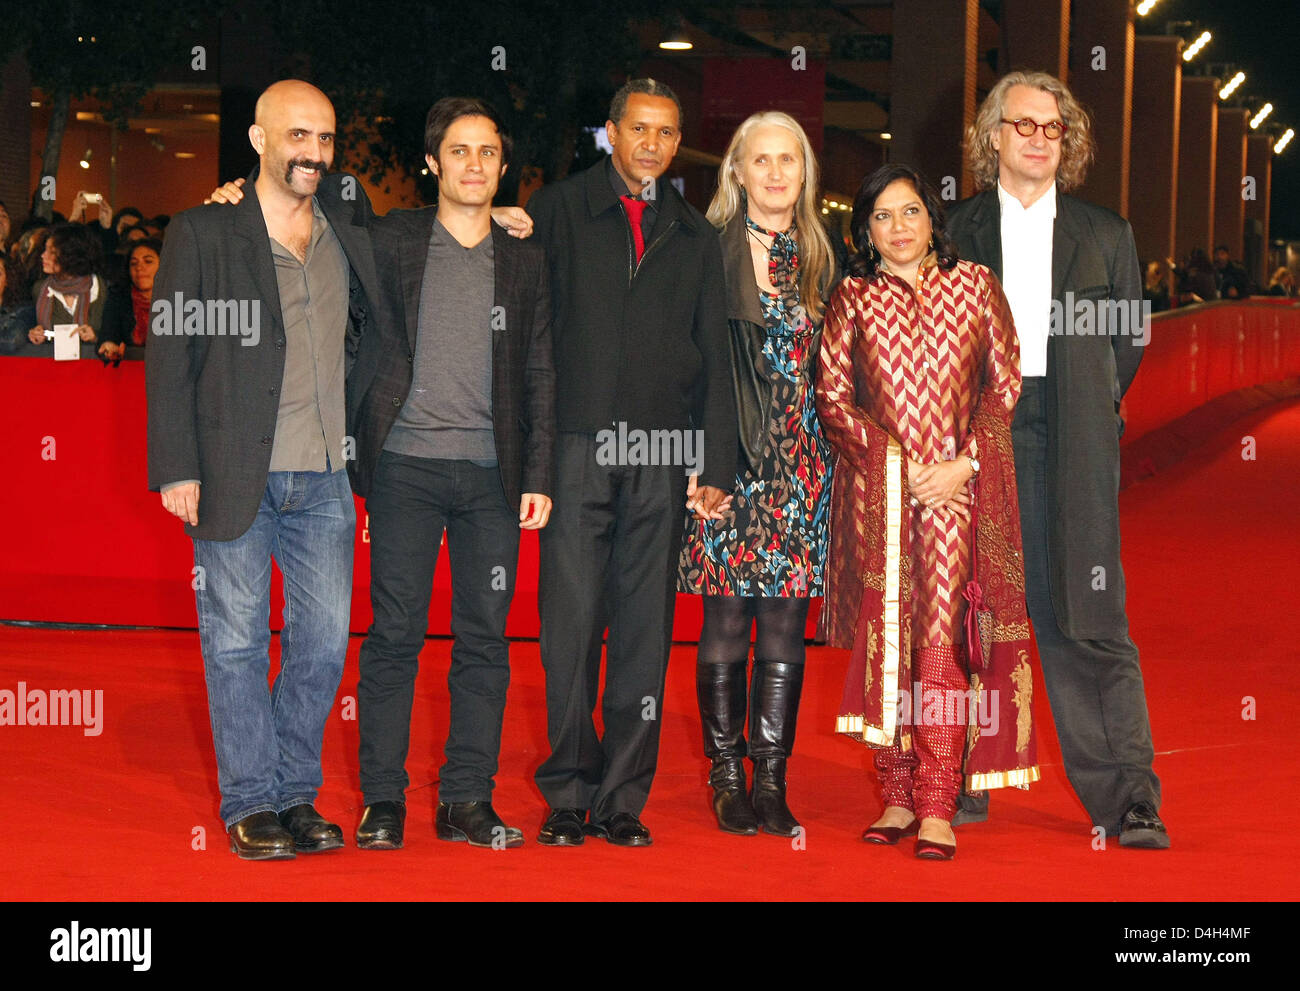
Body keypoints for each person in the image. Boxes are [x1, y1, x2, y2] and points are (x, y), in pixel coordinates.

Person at [147, 79, 385, 861]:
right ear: (258, 139)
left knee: (322, 643)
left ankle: (294, 792)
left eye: (325, 137)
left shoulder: (348, 221)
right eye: (298, 135)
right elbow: (171, 355)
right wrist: (177, 465)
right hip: (230, 471)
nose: (314, 151)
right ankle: (252, 799)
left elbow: (427, 238)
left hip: (326, 475)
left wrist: (506, 215)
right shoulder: (204, 231)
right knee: (237, 643)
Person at [947, 70, 1168, 848]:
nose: (1039, 138)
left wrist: (1086, 404)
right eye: (1024, 124)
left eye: (1053, 127)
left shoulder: (1107, 235)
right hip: (977, 437)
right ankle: (954, 780)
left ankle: (1128, 798)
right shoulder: (953, 231)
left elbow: (1127, 344)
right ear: (993, 136)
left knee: (1088, 614)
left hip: (1073, 434)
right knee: (969, 611)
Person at [525, 78, 736, 847]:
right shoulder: (555, 212)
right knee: (571, 625)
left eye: (666, 132)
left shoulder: (695, 233)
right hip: (577, 443)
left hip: (662, 451)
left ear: (678, 143)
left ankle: (621, 798)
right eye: (638, 128)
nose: (651, 143)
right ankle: (567, 791)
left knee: (645, 629)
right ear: (610, 132)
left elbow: (714, 352)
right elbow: (527, 335)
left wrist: (714, 460)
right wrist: (531, 452)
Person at [346, 97, 556, 851]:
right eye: (459, 151)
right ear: (433, 162)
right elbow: (323, 200)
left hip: (494, 479)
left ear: (503, 164)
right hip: (403, 468)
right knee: (394, 635)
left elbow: (541, 369)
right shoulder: (393, 238)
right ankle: (383, 800)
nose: (475, 164)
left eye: (487, 152)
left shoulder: (526, 257)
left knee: (485, 641)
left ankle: (467, 798)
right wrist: (236, 190)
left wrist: (538, 473)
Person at [817, 164, 1038, 860]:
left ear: (931, 218)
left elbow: (1004, 383)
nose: (898, 227)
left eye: (910, 211)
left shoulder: (974, 285)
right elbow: (832, 397)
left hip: (956, 499)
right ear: (865, 230)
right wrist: (897, 465)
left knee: (941, 643)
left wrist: (963, 464)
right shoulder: (852, 297)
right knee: (891, 642)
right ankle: (896, 793)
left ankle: (938, 801)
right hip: (880, 498)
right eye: (882, 216)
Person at [677, 111, 835, 837]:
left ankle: (771, 778)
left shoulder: (824, 257)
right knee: (727, 615)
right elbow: (683, 362)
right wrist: (695, 458)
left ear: (804, 173)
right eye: (761, 160)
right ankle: (725, 776)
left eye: (788, 160)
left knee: (785, 620)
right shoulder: (704, 250)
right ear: (736, 171)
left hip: (805, 468)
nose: (775, 173)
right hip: (729, 462)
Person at [25, 223, 115, 359]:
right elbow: (42, 333)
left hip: (95, 366)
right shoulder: (40, 289)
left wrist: (96, 337)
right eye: (45, 250)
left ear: (72, 256)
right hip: (53, 367)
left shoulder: (103, 289)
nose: (43, 256)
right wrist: (36, 335)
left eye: (52, 252)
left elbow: (118, 335)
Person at [99, 238, 162, 360]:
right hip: (130, 367)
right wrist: (109, 345)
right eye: (134, 263)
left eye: (148, 261)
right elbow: (109, 335)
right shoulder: (118, 299)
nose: (139, 268)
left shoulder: (183, 300)